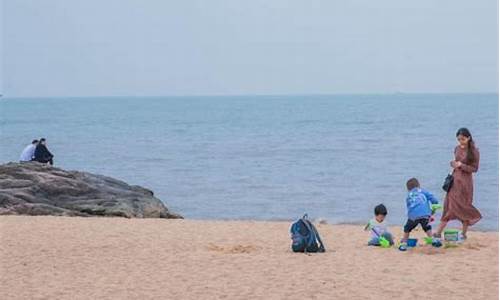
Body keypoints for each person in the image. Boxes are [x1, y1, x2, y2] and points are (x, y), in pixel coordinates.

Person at [434, 128, 482, 240]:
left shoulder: (474, 151)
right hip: (454, 181)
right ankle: (438, 232)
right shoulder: (456, 148)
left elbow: (474, 169)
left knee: (464, 207)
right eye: (459, 139)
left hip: (465, 184)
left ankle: (464, 234)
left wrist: (461, 165)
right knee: (448, 205)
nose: (461, 141)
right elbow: (456, 162)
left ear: (468, 138)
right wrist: (454, 164)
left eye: (463, 139)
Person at [399, 178, 442, 251]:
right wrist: (435, 205)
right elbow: (433, 199)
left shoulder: (409, 195)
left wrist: (410, 216)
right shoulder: (423, 191)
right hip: (425, 214)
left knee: (407, 229)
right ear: (418, 185)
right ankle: (432, 239)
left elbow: (409, 206)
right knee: (427, 227)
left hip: (413, 216)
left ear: (408, 189)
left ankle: (404, 243)